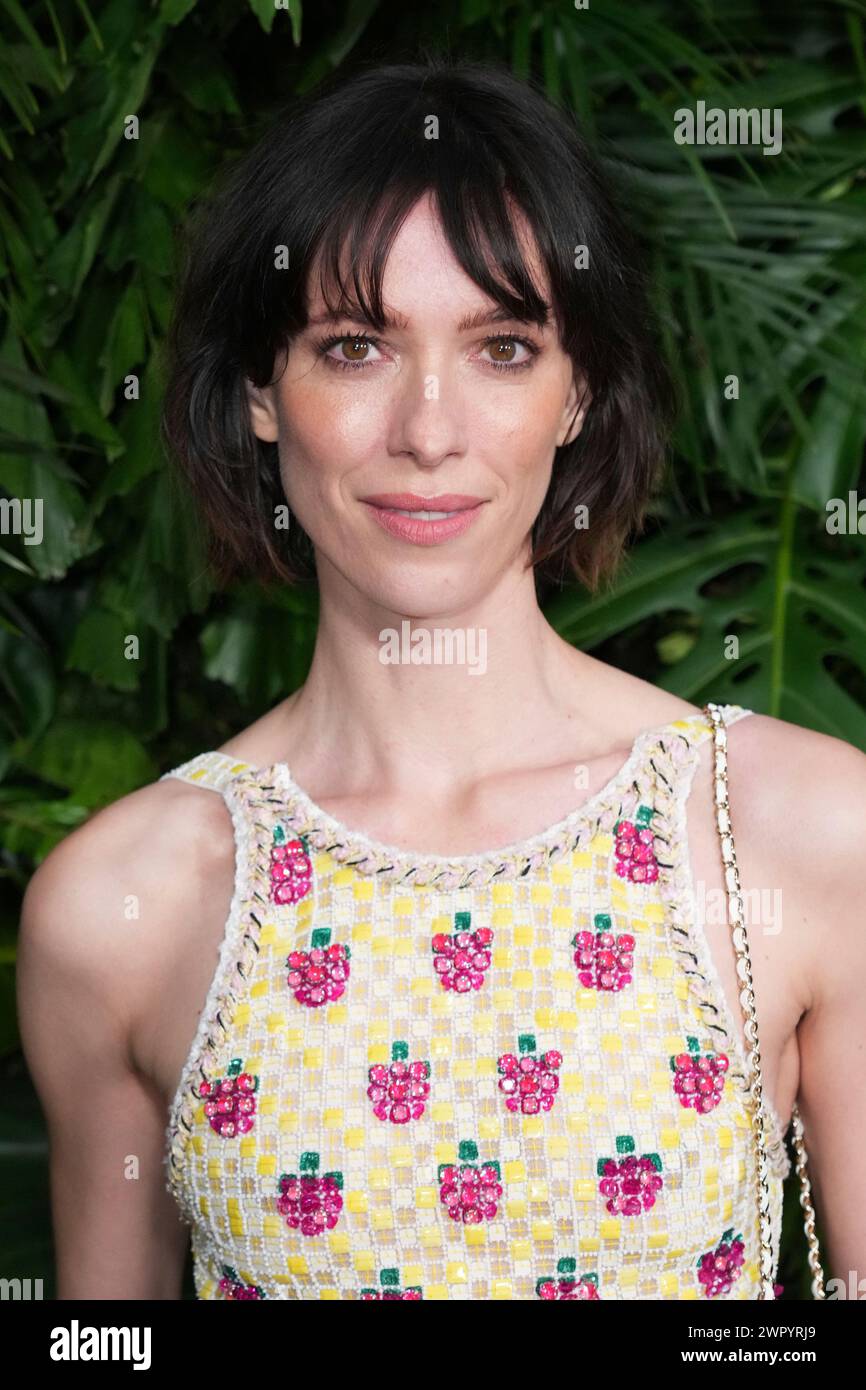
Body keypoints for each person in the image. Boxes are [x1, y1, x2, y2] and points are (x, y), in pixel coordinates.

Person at [17, 57, 866, 1301]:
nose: (427, 429)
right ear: (260, 393)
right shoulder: (118, 907)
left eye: (502, 348)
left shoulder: (795, 830)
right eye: (354, 347)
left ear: (577, 393)